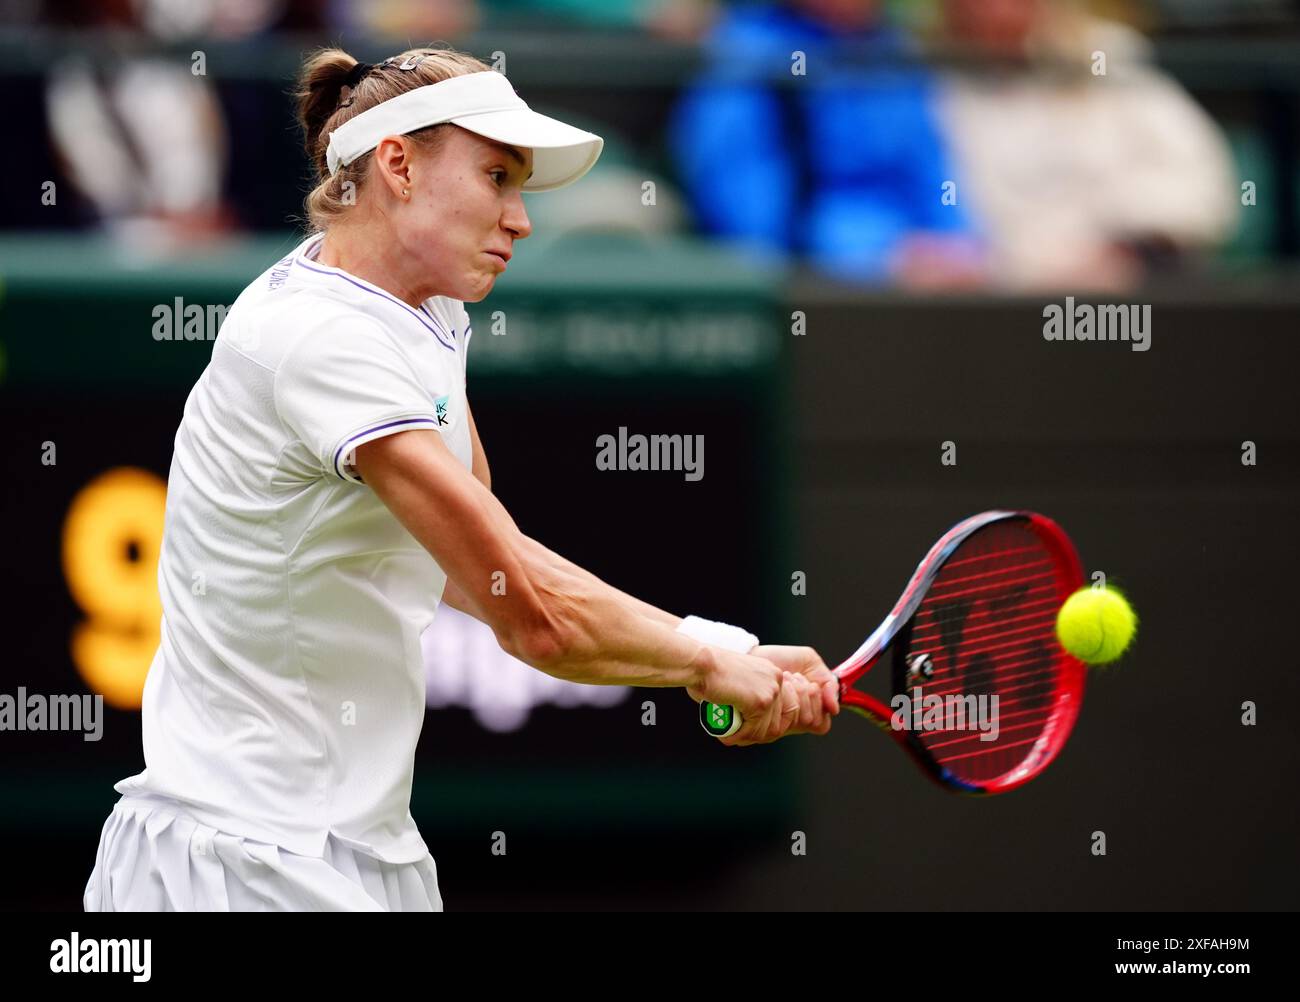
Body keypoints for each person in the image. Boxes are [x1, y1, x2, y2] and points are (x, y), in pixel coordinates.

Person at [83, 45, 838, 913]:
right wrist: (707, 657)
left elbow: (471, 563)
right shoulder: (320, 336)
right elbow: (530, 611)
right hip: (236, 863)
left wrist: (721, 656)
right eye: (496, 176)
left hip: (354, 847)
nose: (519, 218)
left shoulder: (427, 309)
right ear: (397, 164)